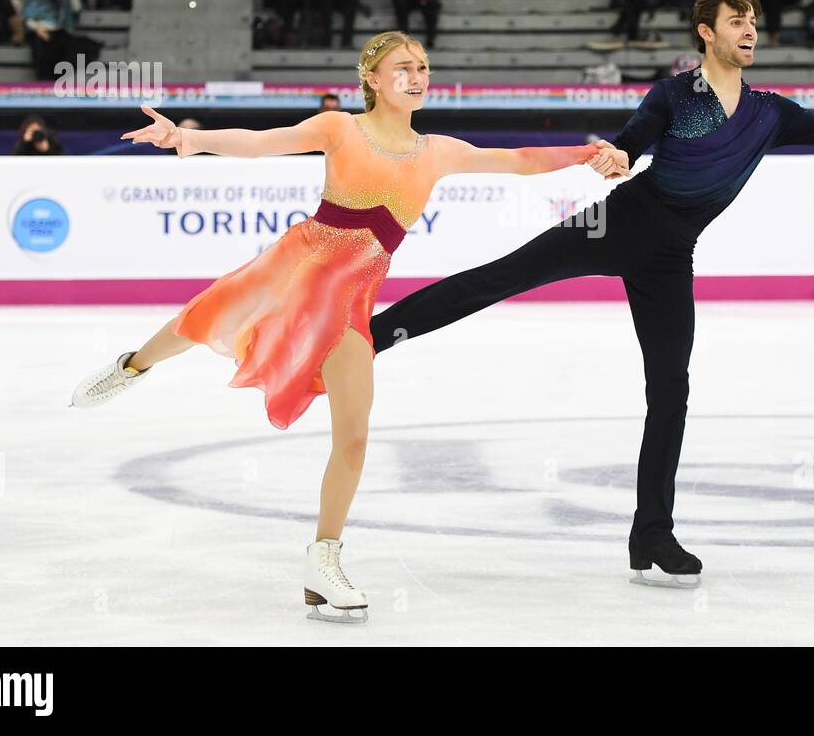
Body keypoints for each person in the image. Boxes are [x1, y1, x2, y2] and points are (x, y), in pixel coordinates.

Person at [362, 0, 814, 586]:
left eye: (753, 22)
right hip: (616, 222)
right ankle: (369, 338)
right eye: (735, 21)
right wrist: (617, 153)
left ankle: (651, 536)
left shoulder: (769, 114)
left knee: (671, 390)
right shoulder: (675, 94)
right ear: (707, 33)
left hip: (670, 257)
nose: (749, 29)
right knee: (499, 277)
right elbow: (635, 136)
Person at [70, 31, 619, 621]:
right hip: (295, 266)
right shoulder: (340, 129)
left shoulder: (438, 151)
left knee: (354, 437)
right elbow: (261, 143)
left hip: (351, 305)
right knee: (204, 316)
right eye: (403, 67)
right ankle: (131, 366)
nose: (417, 75)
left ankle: (322, 559)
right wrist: (186, 138)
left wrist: (589, 154)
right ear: (373, 79)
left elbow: (517, 162)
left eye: (423, 66)